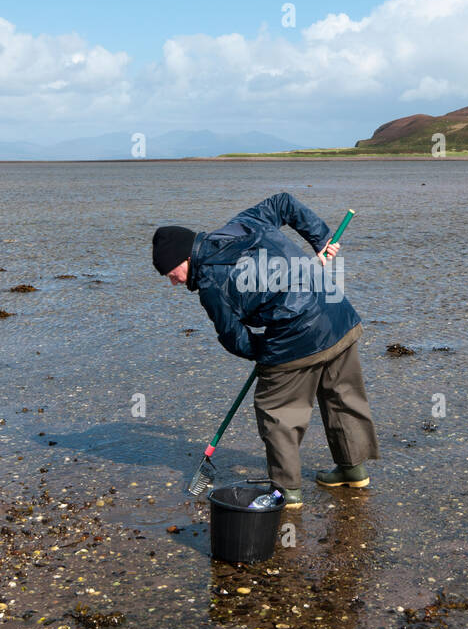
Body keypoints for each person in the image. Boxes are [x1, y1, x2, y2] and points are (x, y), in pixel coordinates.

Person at [152, 193, 379, 508]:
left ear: (182, 260)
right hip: (337, 315)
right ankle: (353, 470)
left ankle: (287, 492)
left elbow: (234, 338)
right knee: (341, 394)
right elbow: (283, 202)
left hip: (296, 337)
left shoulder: (209, 285)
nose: (173, 283)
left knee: (277, 410)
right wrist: (320, 238)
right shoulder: (244, 224)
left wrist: (264, 351)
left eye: (169, 274)